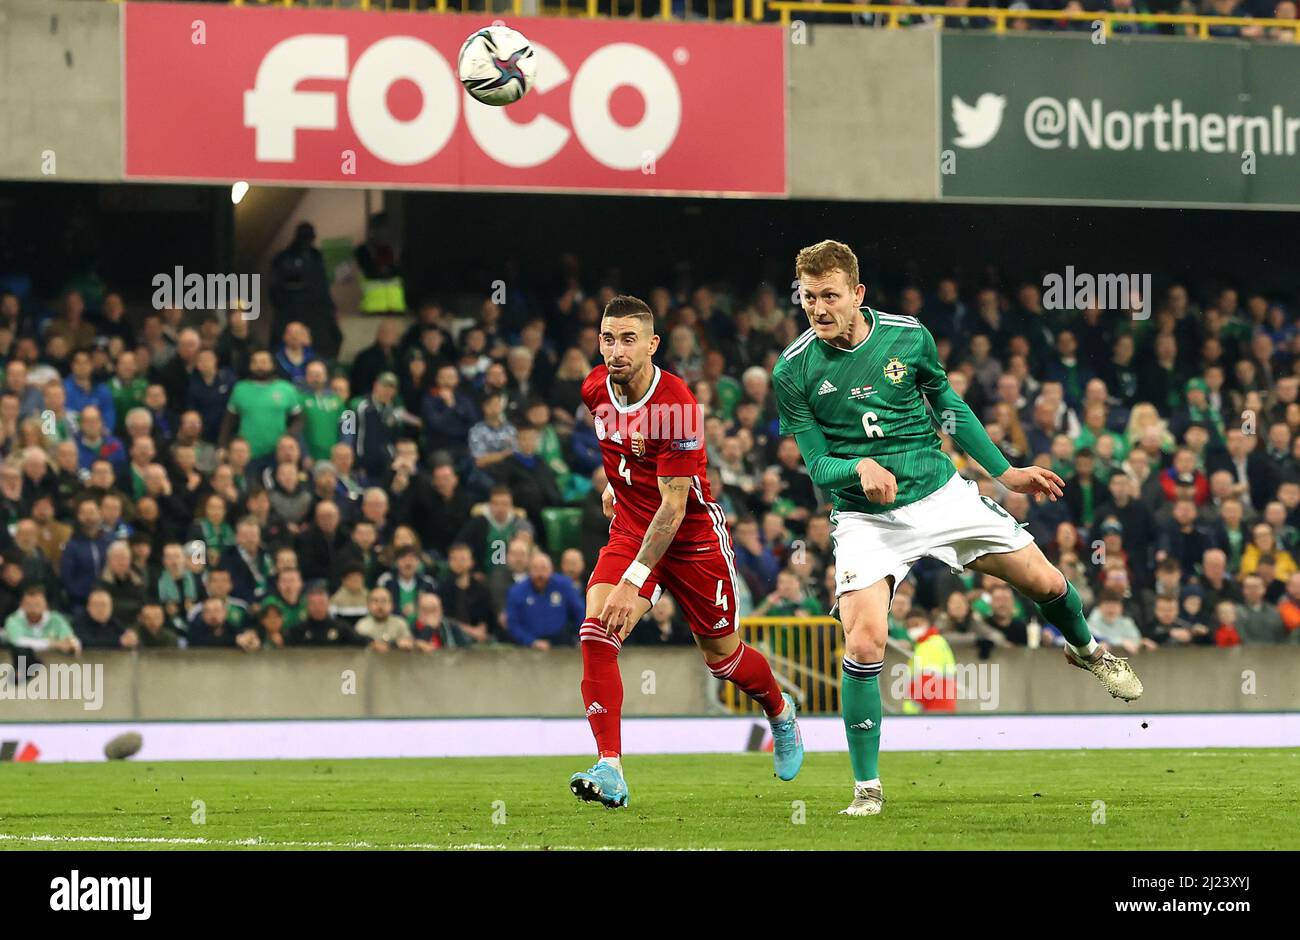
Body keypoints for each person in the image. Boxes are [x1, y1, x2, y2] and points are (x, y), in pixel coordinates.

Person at [770, 240, 1142, 817]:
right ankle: (867, 789)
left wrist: (1005, 471)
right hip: (866, 516)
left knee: (1046, 584)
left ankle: (1089, 650)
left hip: (941, 494)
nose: (818, 309)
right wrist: (858, 467)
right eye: (809, 298)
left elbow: (948, 405)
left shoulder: (907, 335)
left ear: (857, 295)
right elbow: (817, 463)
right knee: (864, 639)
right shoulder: (792, 370)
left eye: (830, 296)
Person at [568, 294, 804, 811]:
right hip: (634, 527)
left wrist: (633, 581)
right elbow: (618, 448)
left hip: (691, 538)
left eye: (629, 338)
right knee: (596, 630)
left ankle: (780, 711)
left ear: (653, 343)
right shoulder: (593, 388)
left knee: (723, 660)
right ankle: (611, 767)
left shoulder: (675, 406)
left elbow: (673, 509)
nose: (616, 349)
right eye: (608, 338)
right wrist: (616, 486)